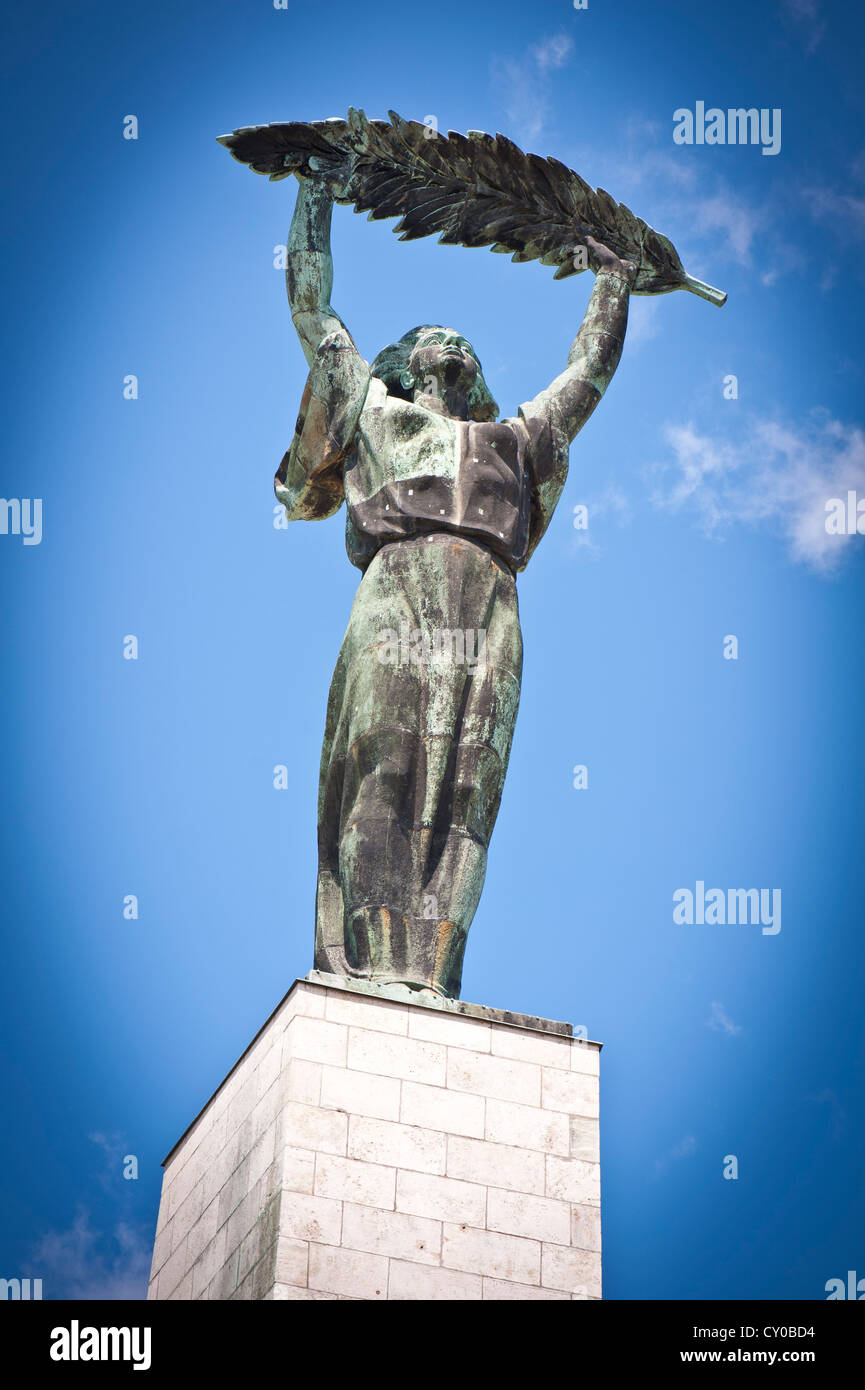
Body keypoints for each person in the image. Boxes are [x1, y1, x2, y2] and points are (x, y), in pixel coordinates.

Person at [277, 172, 636, 1000]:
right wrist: (317, 191)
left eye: (467, 340)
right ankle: (370, 962)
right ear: (407, 365)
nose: (458, 341)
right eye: (439, 334)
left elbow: (586, 376)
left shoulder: (514, 439)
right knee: (386, 764)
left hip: (489, 601)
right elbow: (311, 312)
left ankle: (434, 976)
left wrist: (611, 282)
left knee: (467, 788)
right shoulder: (369, 407)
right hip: (398, 588)